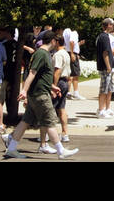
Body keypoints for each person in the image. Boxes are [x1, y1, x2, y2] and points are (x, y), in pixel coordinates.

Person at [4, 30, 78, 158]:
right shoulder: (42, 54)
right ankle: (61, 151)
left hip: (38, 93)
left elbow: (40, 76)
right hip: (40, 95)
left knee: (25, 121)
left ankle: (11, 148)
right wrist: (24, 91)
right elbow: (32, 73)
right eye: (56, 41)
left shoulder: (41, 53)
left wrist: (52, 86)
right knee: (49, 122)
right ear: (53, 41)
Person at [62, 25, 82, 99]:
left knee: (69, 74)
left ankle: (67, 92)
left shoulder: (66, 31)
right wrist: (72, 53)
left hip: (67, 52)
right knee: (75, 74)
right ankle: (75, 92)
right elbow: (71, 42)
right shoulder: (74, 33)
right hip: (72, 53)